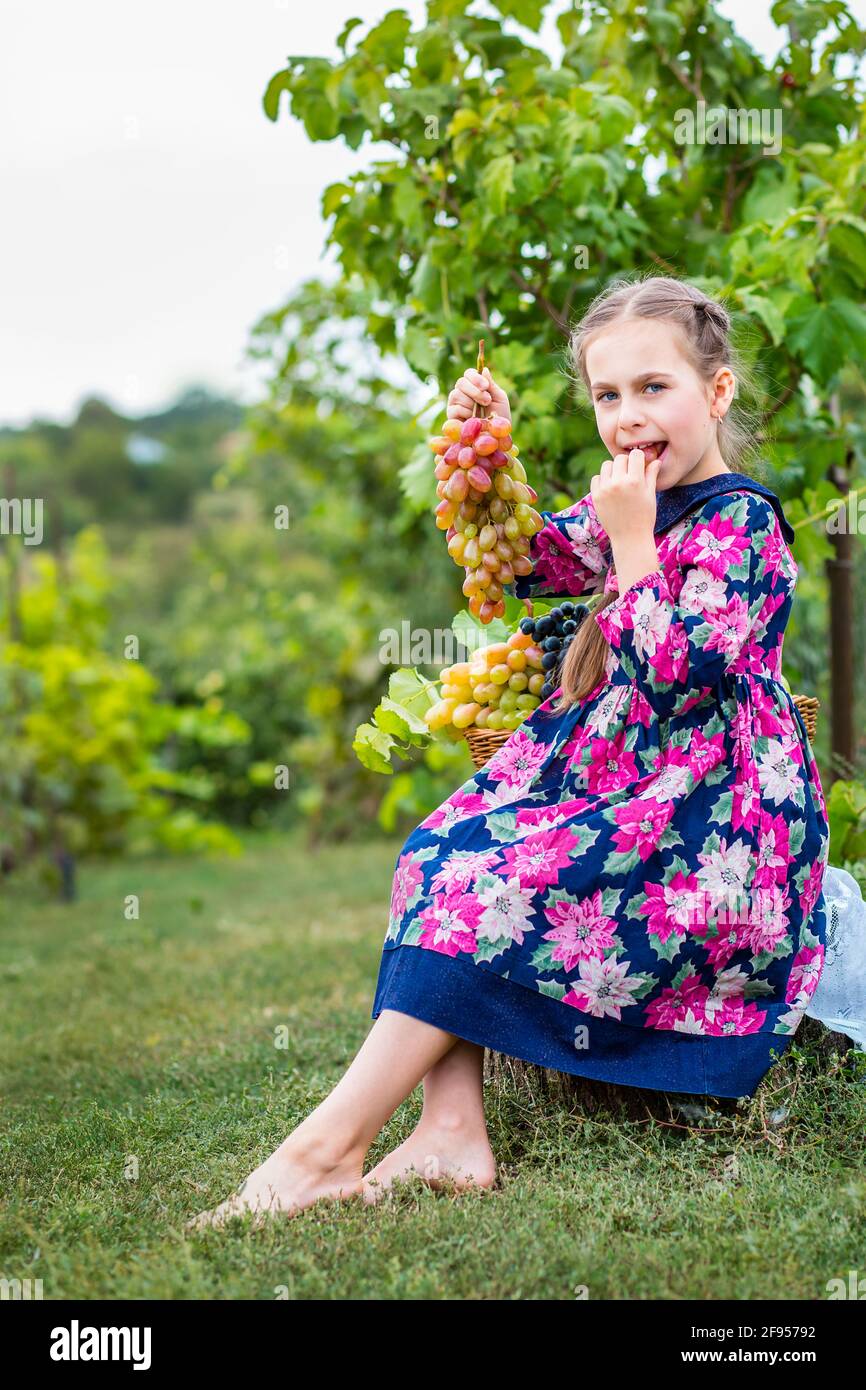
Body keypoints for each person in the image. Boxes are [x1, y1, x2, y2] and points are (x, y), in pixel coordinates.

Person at [188, 274, 830, 1230]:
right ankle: (451, 1131)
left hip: (710, 813)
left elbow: (680, 674)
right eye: (608, 396)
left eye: (654, 389)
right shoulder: (632, 500)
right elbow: (533, 565)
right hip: (631, 776)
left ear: (719, 393)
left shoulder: (744, 521)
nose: (628, 418)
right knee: (436, 853)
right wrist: (484, 455)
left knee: (486, 884)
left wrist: (637, 542)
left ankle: (323, 1150)